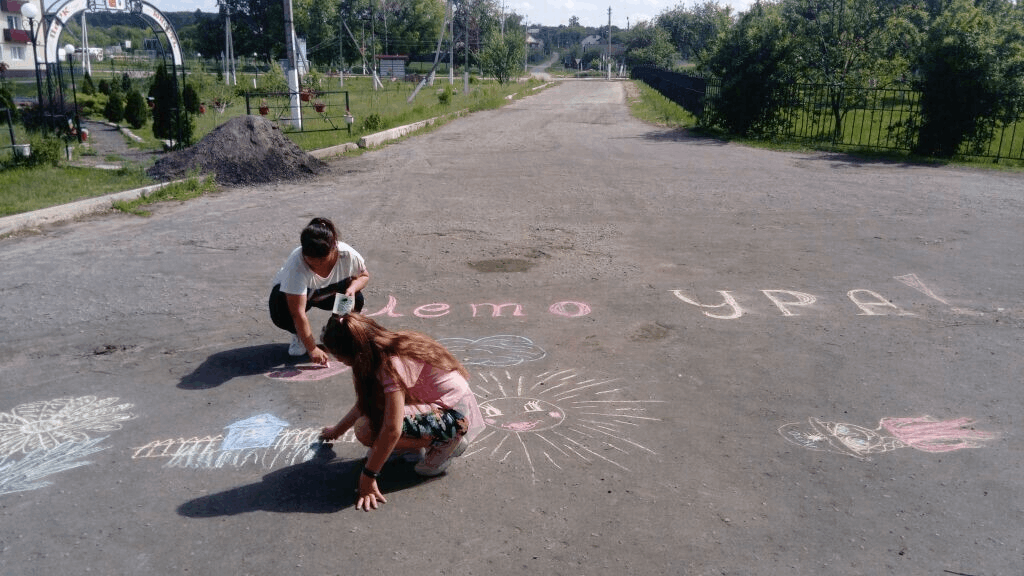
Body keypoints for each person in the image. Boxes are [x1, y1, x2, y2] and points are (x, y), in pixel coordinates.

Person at [317, 312, 483, 512]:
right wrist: (337, 430)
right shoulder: (383, 347)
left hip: (453, 415)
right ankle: (412, 445)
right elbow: (366, 402)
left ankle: (447, 441)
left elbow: (391, 429)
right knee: (373, 422)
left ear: (354, 353)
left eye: (341, 358)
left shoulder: (389, 364)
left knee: (368, 430)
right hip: (441, 404)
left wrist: (368, 476)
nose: (341, 362)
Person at [269, 217, 370, 365]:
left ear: (333, 247)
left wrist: (352, 288)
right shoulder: (295, 264)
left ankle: (333, 334)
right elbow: (298, 313)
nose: (316, 266)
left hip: (329, 292)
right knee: (280, 312)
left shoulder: (347, 255)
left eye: (322, 261)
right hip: (296, 296)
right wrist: (312, 348)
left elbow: (364, 276)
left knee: (355, 299)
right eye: (311, 261)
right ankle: (299, 336)